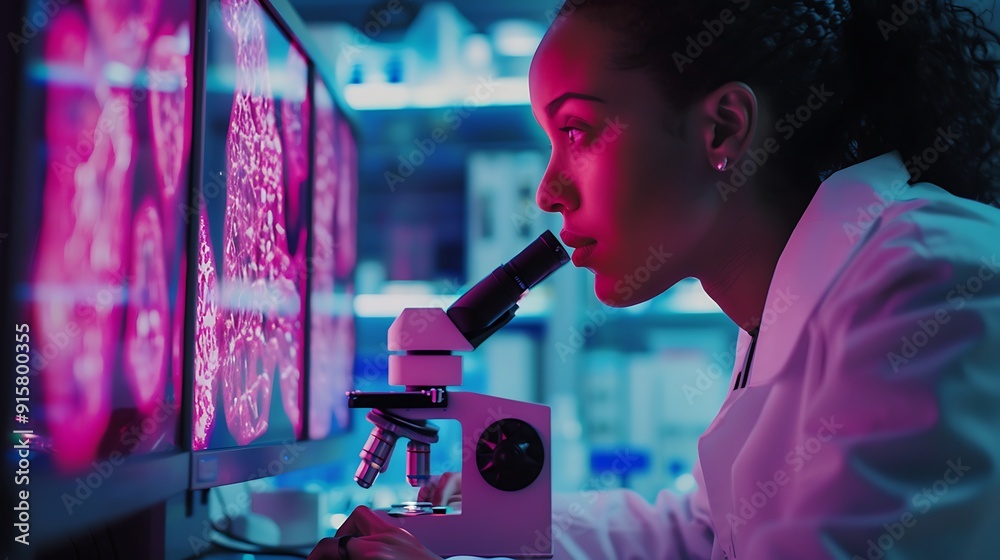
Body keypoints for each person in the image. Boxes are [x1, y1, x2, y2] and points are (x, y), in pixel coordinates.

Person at [310, 0, 1000, 558]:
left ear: (723, 129)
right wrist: (488, 521)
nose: (548, 192)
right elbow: (699, 534)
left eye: (577, 131)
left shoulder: (932, 278)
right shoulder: (786, 305)